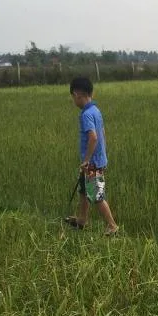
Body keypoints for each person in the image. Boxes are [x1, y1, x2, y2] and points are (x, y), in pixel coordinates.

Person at [64, 77, 119, 236]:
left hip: (92, 163)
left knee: (96, 195)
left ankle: (112, 226)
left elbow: (93, 137)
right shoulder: (96, 110)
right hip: (97, 160)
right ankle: (82, 220)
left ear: (77, 95)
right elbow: (102, 133)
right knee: (83, 191)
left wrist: (87, 160)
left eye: (73, 97)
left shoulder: (86, 115)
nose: (73, 100)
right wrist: (102, 156)